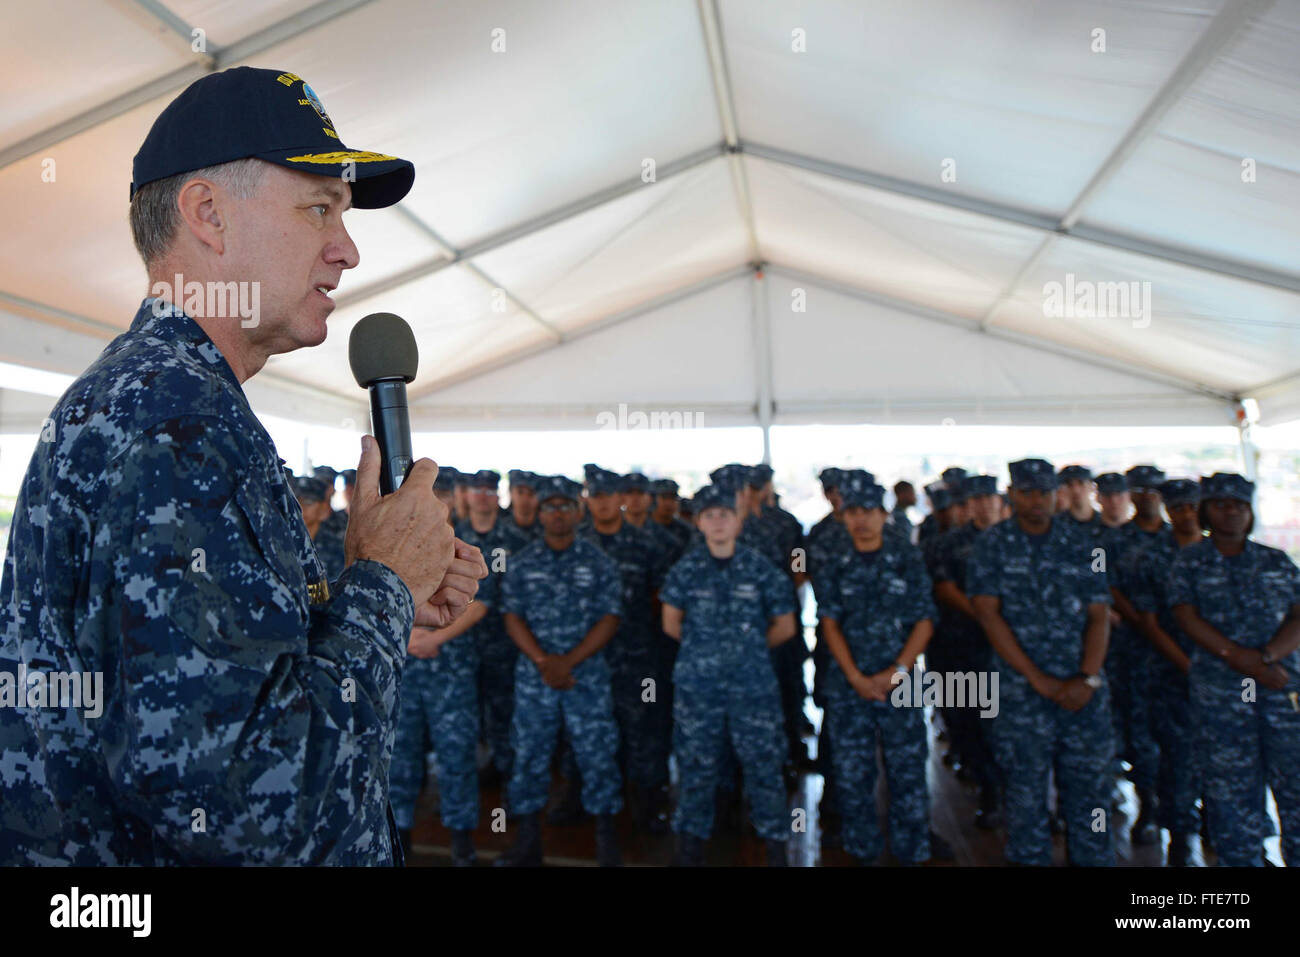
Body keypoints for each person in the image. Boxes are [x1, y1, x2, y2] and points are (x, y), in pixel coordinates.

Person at [0, 66, 487, 865]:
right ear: (208, 215)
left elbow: (221, 701)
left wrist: (373, 598)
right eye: (318, 207)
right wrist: (383, 587)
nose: (348, 248)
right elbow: (240, 799)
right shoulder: (171, 422)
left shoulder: (170, 398)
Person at [968, 458, 1115, 866]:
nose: (1037, 500)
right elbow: (987, 612)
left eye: (1044, 492)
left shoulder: (1087, 544)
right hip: (1020, 692)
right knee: (1025, 796)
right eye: (1027, 492)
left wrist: (1086, 678)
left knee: (1091, 797)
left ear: (1058, 494)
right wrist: (1038, 680)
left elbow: (1100, 613)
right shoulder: (992, 544)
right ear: (1012, 495)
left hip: (1083, 693)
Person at [660, 483, 798, 866]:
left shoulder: (760, 568)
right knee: (696, 767)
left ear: (739, 523)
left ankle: (775, 847)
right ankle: (690, 849)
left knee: (764, 767)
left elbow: (786, 626)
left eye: (725, 515)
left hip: (752, 688)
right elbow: (671, 623)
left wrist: (748, 650)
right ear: (700, 523)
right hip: (698, 689)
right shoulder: (686, 569)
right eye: (710, 516)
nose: (718, 522)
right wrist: (708, 653)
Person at [1170, 472, 1300, 867]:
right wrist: (1240, 659)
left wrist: (1265, 659)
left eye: (1240, 505)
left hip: (1280, 691)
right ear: (1207, 510)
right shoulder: (1189, 562)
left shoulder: (1274, 560)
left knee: (1295, 788)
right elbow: (1186, 618)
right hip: (1222, 696)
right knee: (1231, 795)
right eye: (1222, 505)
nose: (1232, 513)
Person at [816, 474, 944, 865]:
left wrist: (898, 670)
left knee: (908, 775)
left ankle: (913, 852)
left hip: (904, 683)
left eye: (868, 511)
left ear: (884, 513)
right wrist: (856, 677)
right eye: (852, 511)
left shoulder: (906, 556)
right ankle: (863, 852)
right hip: (848, 685)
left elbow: (924, 619)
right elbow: (829, 623)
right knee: (854, 778)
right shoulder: (833, 559)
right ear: (842, 514)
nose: (860, 519)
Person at [498, 476, 624, 867]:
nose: (557, 513)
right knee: (530, 756)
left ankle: (607, 847)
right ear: (539, 512)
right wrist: (543, 661)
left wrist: (565, 663)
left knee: (598, 756)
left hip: (584, 676)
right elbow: (512, 616)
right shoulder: (522, 563)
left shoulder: (599, 561)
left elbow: (610, 617)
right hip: (536, 677)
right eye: (550, 507)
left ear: (578, 511)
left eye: (565, 506)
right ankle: (527, 844)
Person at [390, 472, 494, 866]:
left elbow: (482, 602)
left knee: (456, 755)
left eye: (444, 494)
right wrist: (409, 636)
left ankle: (462, 844)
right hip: (404, 670)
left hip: (450, 670)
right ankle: (400, 838)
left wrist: (432, 638)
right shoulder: (394, 541)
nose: (437, 500)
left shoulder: (468, 543)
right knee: (401, 755)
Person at [577, 466, 671, 832]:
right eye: (595, 497)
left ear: (621, 500)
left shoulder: (648, 543)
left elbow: (662, 599)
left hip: (638, 655)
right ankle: (593, 807)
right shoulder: (577, 542)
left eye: (609, 496)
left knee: (642, 728)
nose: (602, 503)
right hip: (588, 658)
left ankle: (646, 804)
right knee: (591, 732)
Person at [1128, 478, 1204, 865]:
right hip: (1171, 673)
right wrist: (1188, 665)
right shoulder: (1154, 556)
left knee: (1228, 758)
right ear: (1169, 511)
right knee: (1177, 760)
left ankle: (1233, 838)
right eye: (1179, 508)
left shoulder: (1221, 551)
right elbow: (1149, 621)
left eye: (1193, 506)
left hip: (1227, 678)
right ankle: (1179, 838)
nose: (1187, 514)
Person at [931, 474, 1005, 827]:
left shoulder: (1015, 540)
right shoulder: (951, 543)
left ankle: (1025, 801)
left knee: (1013, 728)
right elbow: (945, 588)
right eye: (975, 500)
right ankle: (990, 789)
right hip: (964, 647)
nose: (983, 505)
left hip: (1013, 652)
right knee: (970, 723)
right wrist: (986, 617)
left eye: (988, 498)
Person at [454, 470, 532, 789]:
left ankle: (508, 779)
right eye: (478, 490)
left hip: (504, 646)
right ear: (467, 496)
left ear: (497, 497)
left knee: (505, 716)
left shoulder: (516, 540)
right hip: (459, 647)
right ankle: (471, 778)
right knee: (463, 719)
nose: (483, 496)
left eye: (490, 491)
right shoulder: (451, 537)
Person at [1107, 464, 1168, 844]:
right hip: (1132, 651)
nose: (1146, 495)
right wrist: (1143, 625)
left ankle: (1197, 814)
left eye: (1153, 489)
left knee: (1189, 737)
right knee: (1140, 733)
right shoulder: (1112, 541)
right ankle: (1149, 806)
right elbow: (1105, 586)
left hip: (1181, 655)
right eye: (1138, 489)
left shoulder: (1182, 538)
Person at [294, 472, 346, 581]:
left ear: (324, 510)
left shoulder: (336, 548)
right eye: (294, 501)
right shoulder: (279, 541)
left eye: (308, 502)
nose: (300, 506)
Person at [507, 470, 542, 540]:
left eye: (531, 493)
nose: (525, 499)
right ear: (510, 493)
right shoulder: (495, 524)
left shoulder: (548, 526)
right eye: (520, 492)